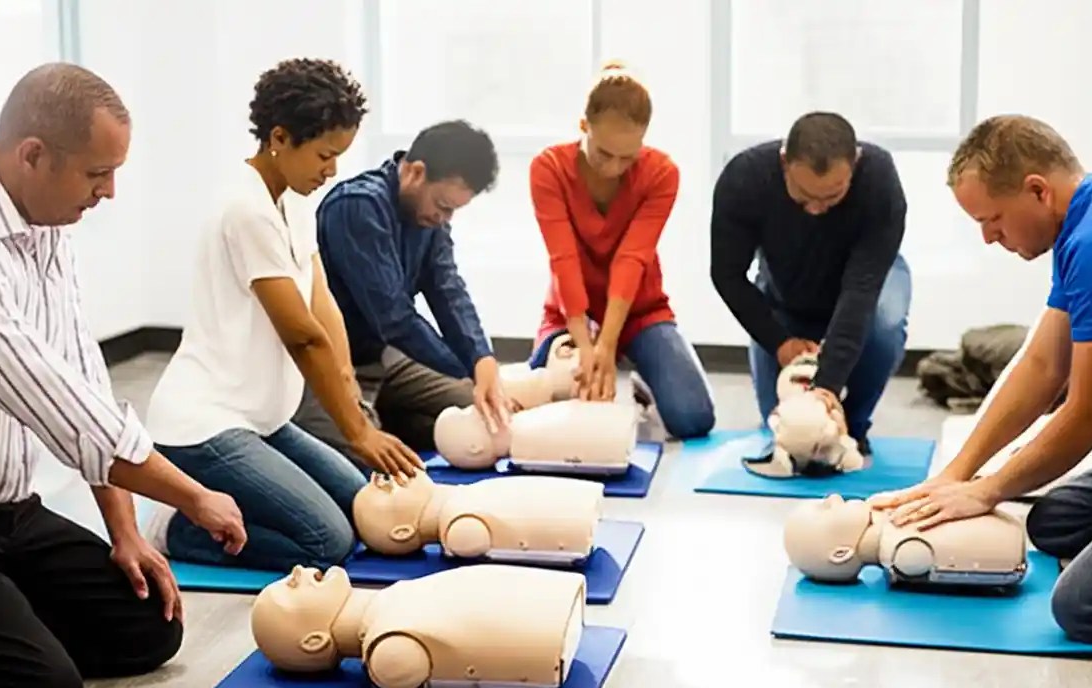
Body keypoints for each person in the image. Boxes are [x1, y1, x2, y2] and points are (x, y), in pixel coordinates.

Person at [0, 63, 246, 688]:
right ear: (33, 156)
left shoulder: (45, 226)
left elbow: (84, 383)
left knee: (148, 629)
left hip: (7, 510)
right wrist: (193, 497)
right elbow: (58, 407)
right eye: (97, 174)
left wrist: (125, 532)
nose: (108, 193)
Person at [871, 114, 1092, 657]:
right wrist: (957, 476)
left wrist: (986, 490)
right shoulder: (1089, 223)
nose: (988, 236)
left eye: (994, 219)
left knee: (1089, 603)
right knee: (1055, 521)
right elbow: (1043, 368)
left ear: (1037, 190)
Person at [143, 59, 424, 574]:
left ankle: (234, 501)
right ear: (279, 137)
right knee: (327, 541)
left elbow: (325, 313)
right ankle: (179, 529)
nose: (332, 170)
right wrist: (359, 434)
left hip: (264, 420)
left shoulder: (295, 204)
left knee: (359, 507)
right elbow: (301, 335)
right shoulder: (244, 208)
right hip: (206, 424)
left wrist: (355, 407)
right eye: (324, 155)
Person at [293, 120, 510, 470]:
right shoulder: (357, 208)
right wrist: (462, 369)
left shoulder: (429, 218)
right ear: (415, 172)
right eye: (442, 205)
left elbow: (447, 287)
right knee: (376, 470)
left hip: (381, 359)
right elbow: (394, 317)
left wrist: (481, 361)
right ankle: (368, 422)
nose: (444, 217)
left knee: (492, 417)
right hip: (329, 369)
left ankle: (386, 416)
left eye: (453, 211)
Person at [527, 62, 715, 439]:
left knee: (694, 419)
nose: (614, 168)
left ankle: (647, 379)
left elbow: (633, 258)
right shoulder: (548, 168)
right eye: (604, 153)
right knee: (560, 410)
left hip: (639, 312)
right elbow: (563, 261)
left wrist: (607, 345)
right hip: (570, 315)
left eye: (627, 157)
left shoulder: (661, 173)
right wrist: (587, 348)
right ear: (584, 127)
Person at [710, 111, 911, 454]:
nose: (816, 209)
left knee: (884, 323)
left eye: (832, 197)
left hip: (867, 280)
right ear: (784, 161)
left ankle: (856, 424)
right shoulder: (744, 179)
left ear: (855, 163)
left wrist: (827, 390)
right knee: (784, 428)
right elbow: (726, 274)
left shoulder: (878, 178)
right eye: (803, 196)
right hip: (786, 285)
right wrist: (779, 342)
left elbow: (861, 290)